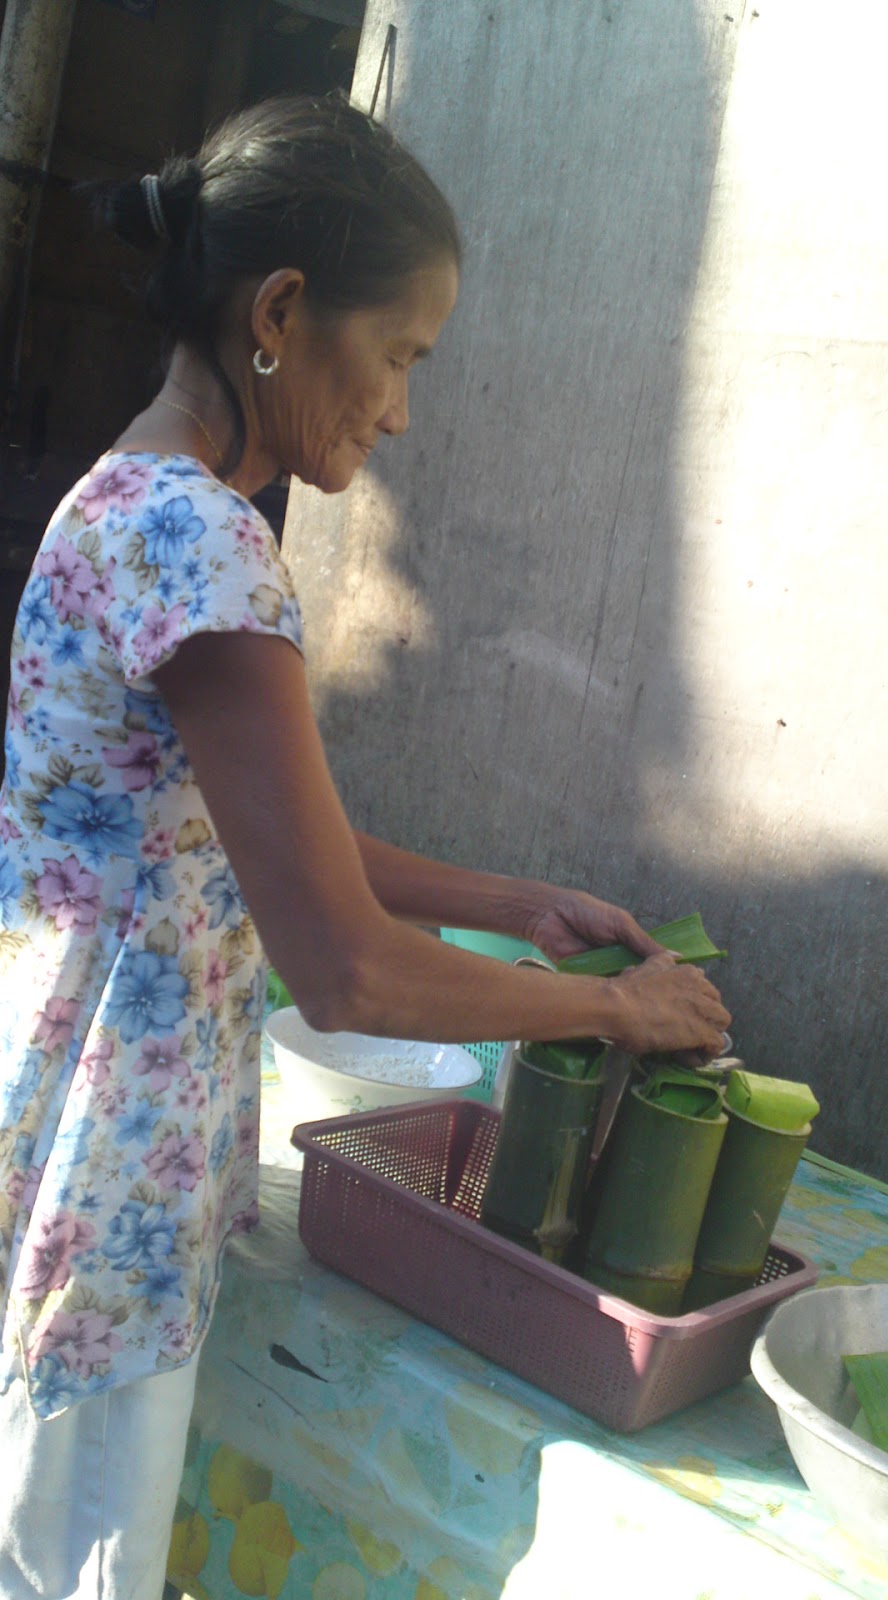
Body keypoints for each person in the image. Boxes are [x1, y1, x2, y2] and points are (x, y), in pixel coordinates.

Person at [0, 93, 730, 1599]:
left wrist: (515, 904)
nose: (399, 410)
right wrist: (612, 1006)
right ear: (281, 312)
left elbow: (260, 836)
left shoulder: (126, 499)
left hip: (71, 1131)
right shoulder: (206, 539)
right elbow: (340, 967)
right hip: (102, 1184)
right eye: (399, 355)